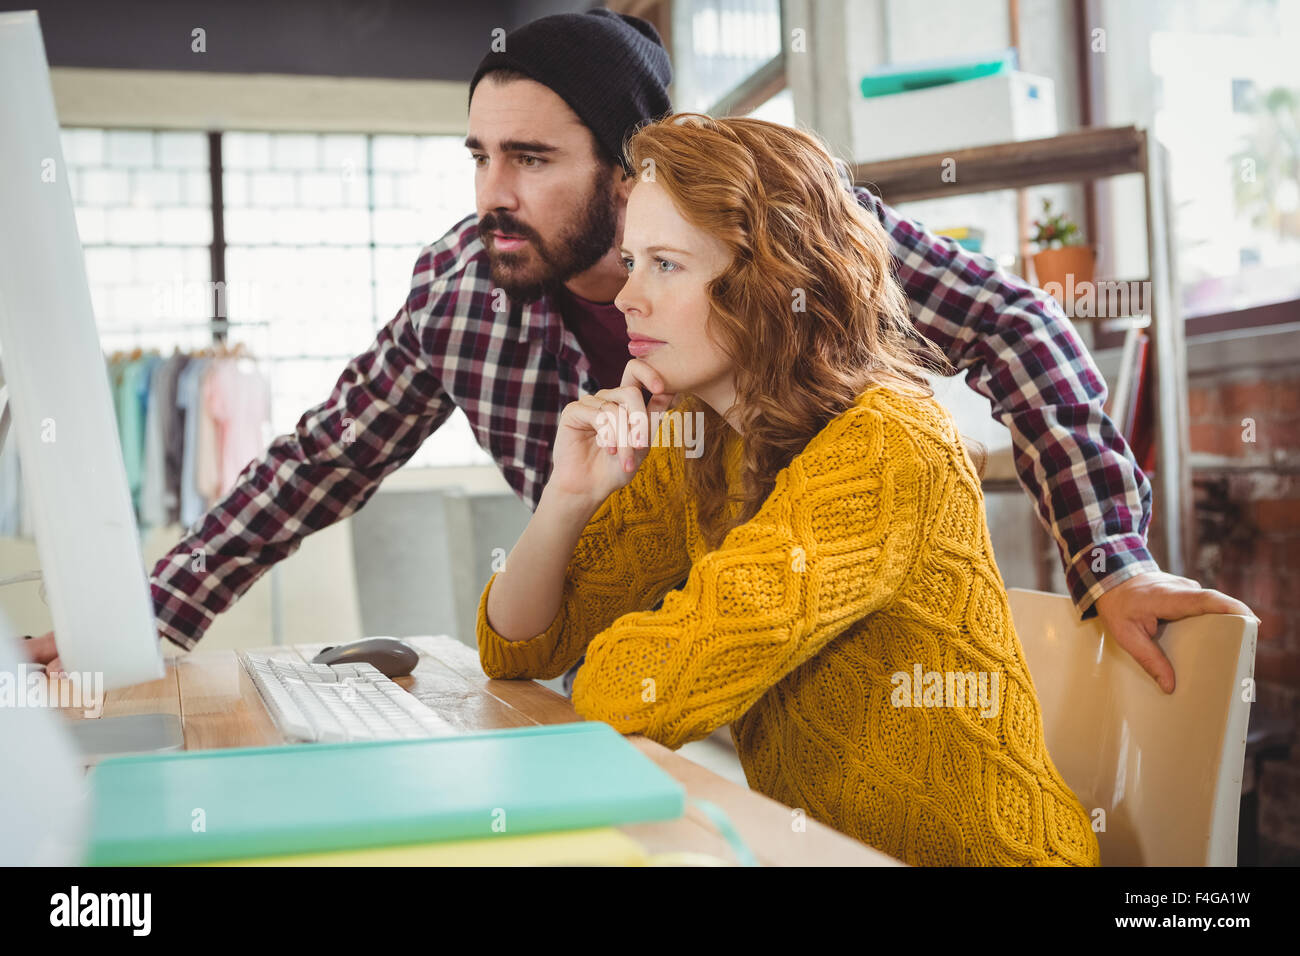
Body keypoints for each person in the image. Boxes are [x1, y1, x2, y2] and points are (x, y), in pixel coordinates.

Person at [27, 9, 1252, 693]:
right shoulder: (463, 294)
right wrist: (152, 615)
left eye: (531, 159)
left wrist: (1112, 554)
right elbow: (319, 458)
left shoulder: (788, 234)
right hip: (633, 682)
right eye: (477, 156)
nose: (490, 195)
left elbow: (1018, 320)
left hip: (834, 679)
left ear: (630, 168)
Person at [477, 112, 1101, 866]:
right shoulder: (700, 440)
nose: (625, 298)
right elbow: (517, 647)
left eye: (665, 265)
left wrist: (636, 654)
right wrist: (567, 497)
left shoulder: (888, 443)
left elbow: (625, 687)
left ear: (770, 283)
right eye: (630, 260)